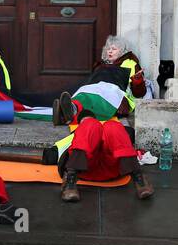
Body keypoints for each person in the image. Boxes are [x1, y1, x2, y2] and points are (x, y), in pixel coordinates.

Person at [46, 36, 153, 202]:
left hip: (113, 98)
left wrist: (138, 80)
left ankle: (139, 178)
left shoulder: (130, 64)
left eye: (114, 49)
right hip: (86, 167)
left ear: (122, 51)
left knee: (111, 126)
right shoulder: (100, 66)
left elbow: (139, 92)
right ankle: (70, 181)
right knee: (88, 105)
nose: (110, 51)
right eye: (108, 49)